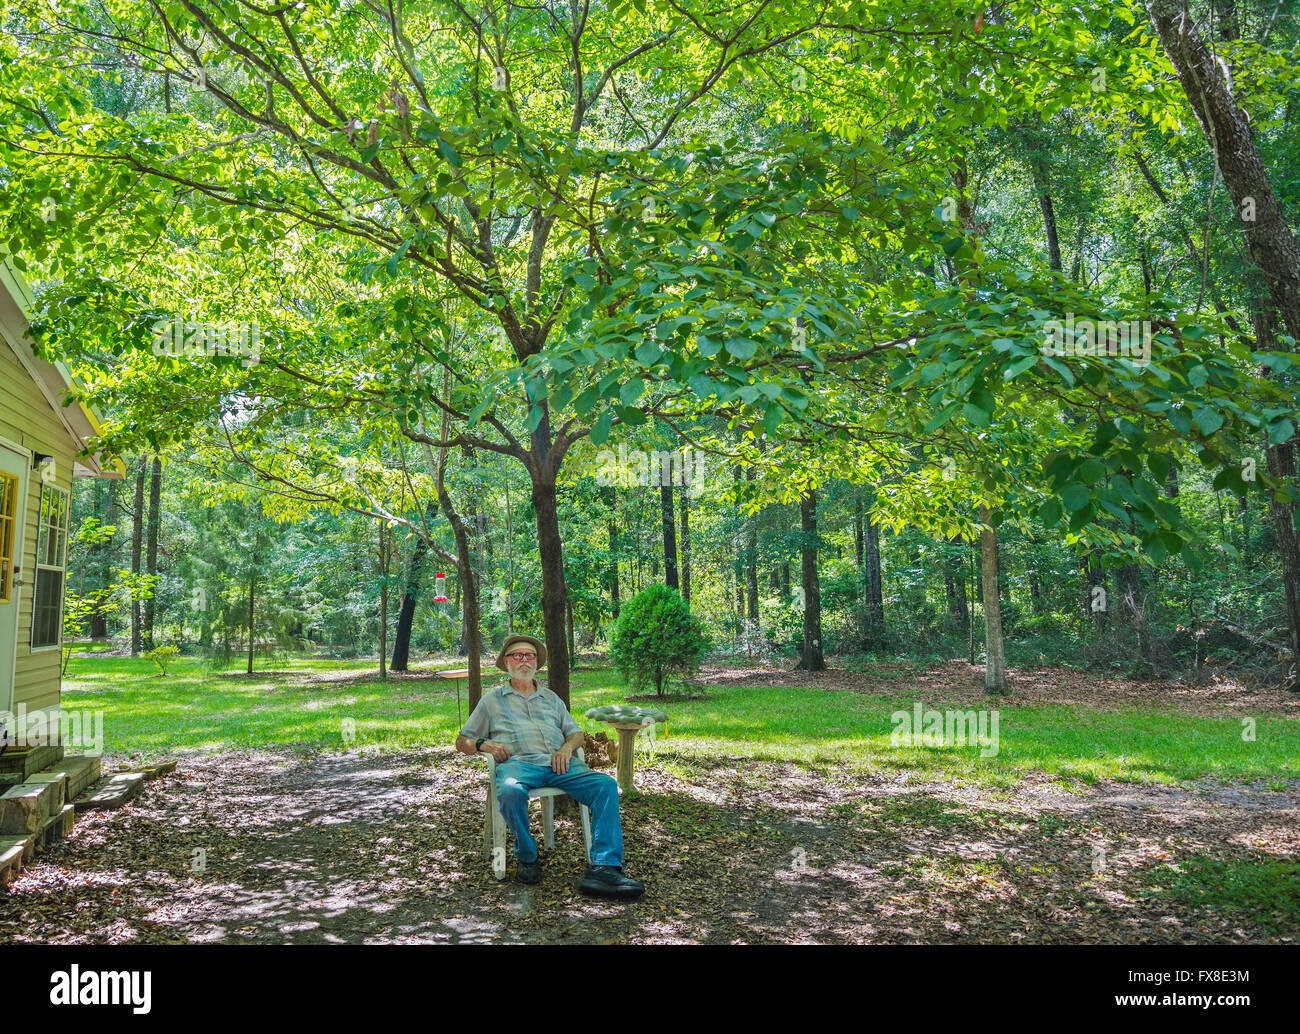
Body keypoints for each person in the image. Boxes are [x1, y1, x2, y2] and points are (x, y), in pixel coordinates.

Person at [454, 634, 645, 899]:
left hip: (560, 764)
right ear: (506, 663)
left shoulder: (551, 698)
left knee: (605, 785)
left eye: (529, 656)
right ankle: (527, 854)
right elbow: (461, 741)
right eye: (518, 656)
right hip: (518, 765)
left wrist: (567, 748)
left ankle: (605, 867)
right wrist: (485, 744)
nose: (524, 660)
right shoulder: (492, 701)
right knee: (509, 791)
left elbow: (576, 734)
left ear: (537, 663)